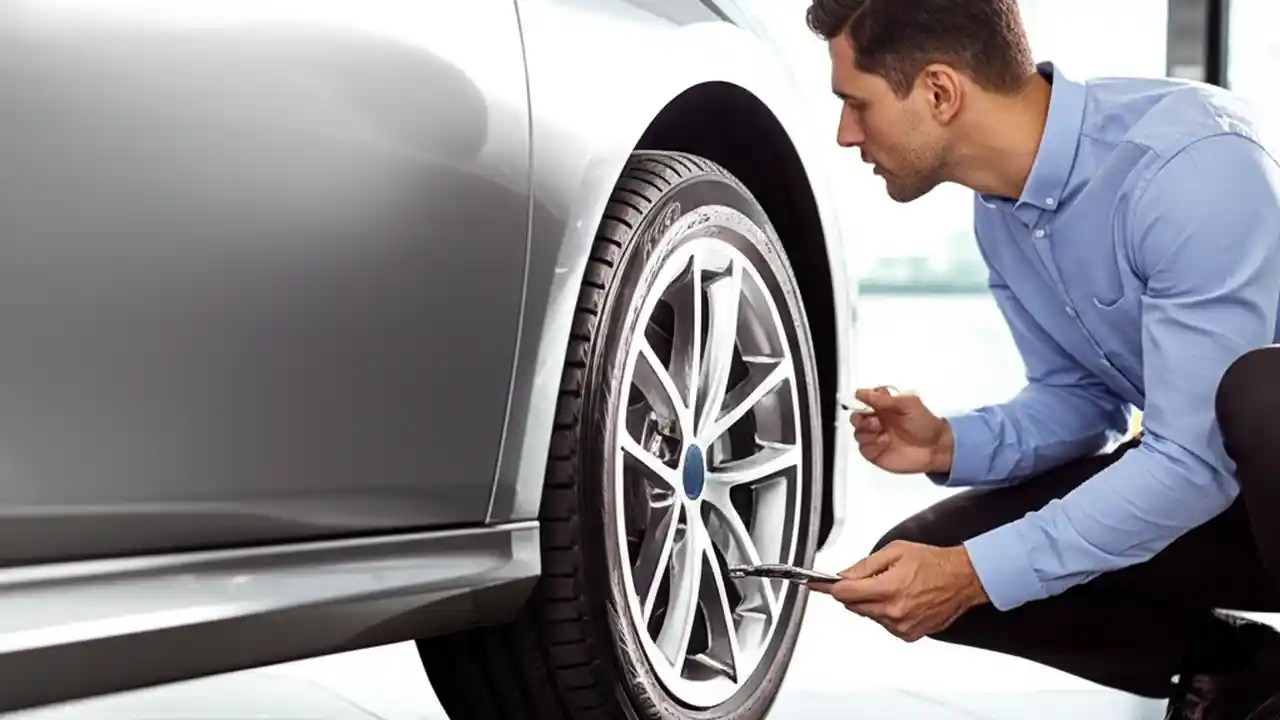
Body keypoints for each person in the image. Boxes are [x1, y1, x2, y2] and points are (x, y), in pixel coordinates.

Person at [803, 0, 1280, 718]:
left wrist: (971, 575)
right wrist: (948, 442)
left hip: (1253, 459)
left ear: (939, 91)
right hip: (1228, 495)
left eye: (856, 103)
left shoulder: (1189, 169)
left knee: (1261, 394)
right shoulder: (1002, 210)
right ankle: (1241, 669)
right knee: (916, 553)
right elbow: (1084, 398)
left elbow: (1192, 463)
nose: (844, 135)